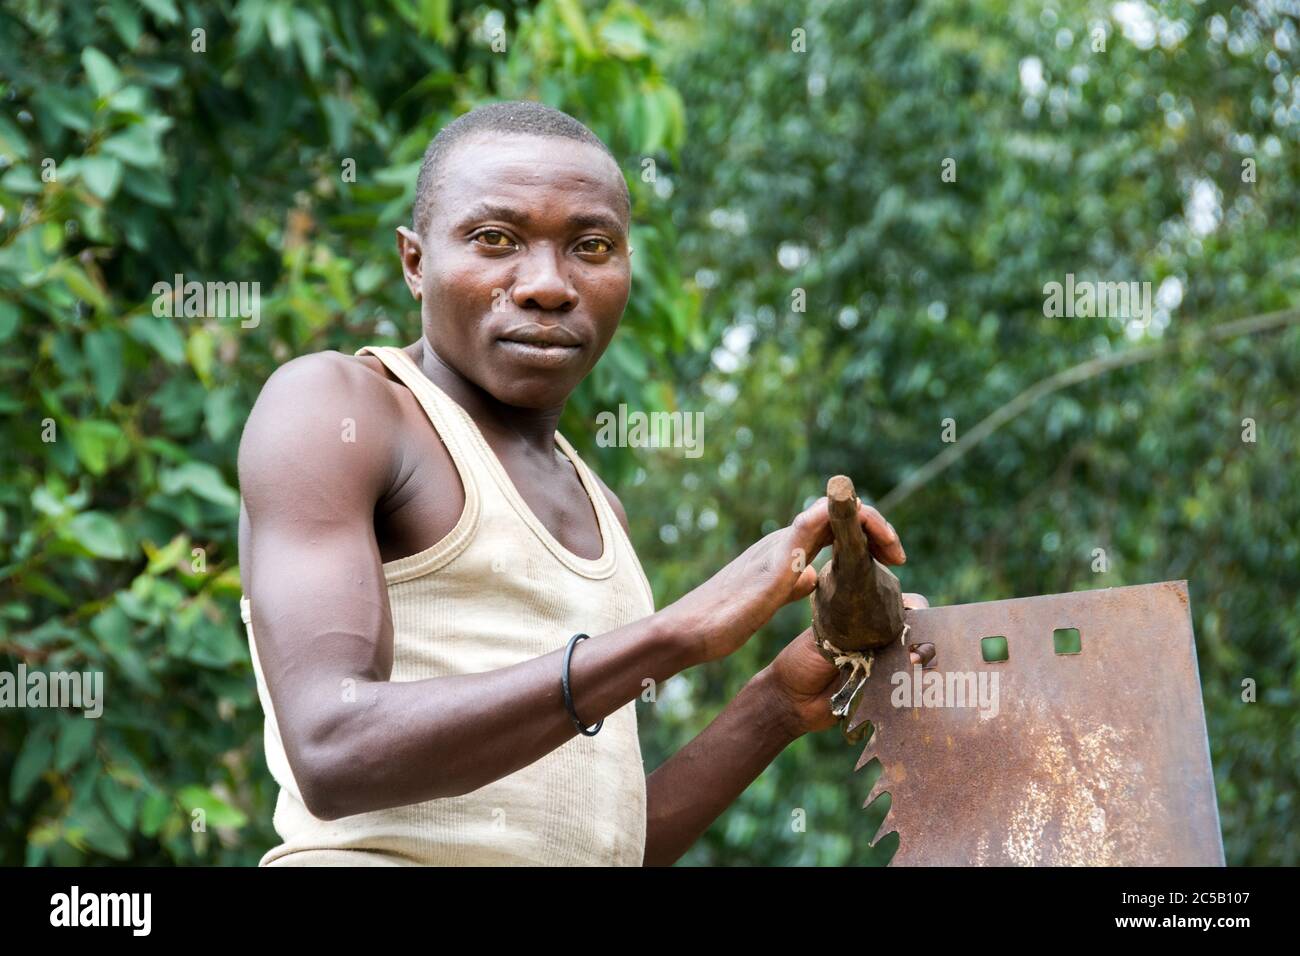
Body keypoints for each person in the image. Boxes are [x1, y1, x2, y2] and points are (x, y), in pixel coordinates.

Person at [236, 100, 926, 866]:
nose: (546, 285)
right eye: (494, 239)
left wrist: (776, 705)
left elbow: (600, 846)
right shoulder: (341, 408)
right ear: (414, 261)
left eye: (590, 246)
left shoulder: (603, 510)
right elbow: (332, 748)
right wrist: (673, 634)